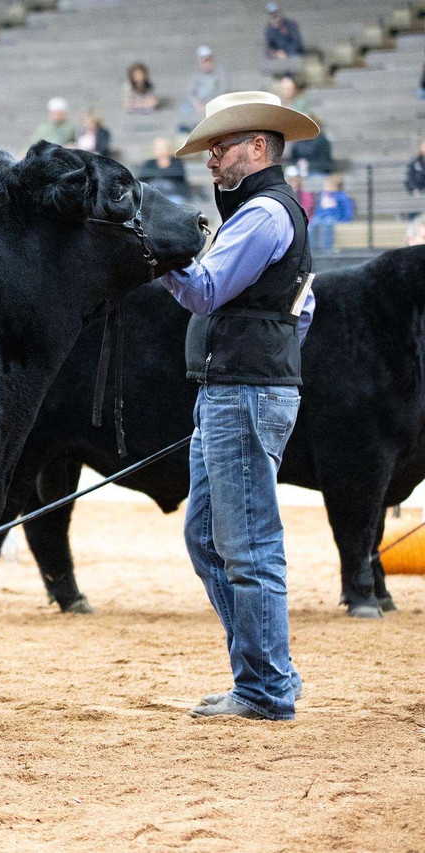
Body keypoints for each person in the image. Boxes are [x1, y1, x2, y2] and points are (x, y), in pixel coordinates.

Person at [164, 91, 321, 721]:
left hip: (241, 394)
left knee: (244, 543)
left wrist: (157, 254)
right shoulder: (277, 214)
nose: (211, 160)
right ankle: (266, 673)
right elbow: (302, 312)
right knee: (209, 535)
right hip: (243, 391)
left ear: (257, 146)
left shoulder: (260, 215)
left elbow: (202, 291)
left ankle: (265, 689)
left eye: (220, 147)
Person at [178, 46, 227, 133]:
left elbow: (222, 91)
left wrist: (208, 104)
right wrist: (196, 103)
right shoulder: (195, 77)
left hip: (212, 103)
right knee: (184, 110)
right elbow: (190, 93)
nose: (207, 64)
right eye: (204, 61)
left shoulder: (219, 76)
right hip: (197, 105)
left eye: (208, 61)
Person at [308, 173, 355, 253]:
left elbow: (347, 208)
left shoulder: (341, 196)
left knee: (327, 225)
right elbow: (318, 208)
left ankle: (327, 250)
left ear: (336, 186)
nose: (326, 187)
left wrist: (345, 219)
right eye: (326, 185)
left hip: (332, 217)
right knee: (311, 226)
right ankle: (312, 250)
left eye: (329, 185)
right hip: (320, 216)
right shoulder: (322, 195)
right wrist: (316, 215)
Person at [137, 137, 190, 204]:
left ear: (167, 149)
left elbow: (180, 178)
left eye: (161, 148)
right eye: (157, 149)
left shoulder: (176, 162)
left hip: (173, 194)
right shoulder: (149, 163)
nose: (159, 151)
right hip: (153, 196)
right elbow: (142, 178)